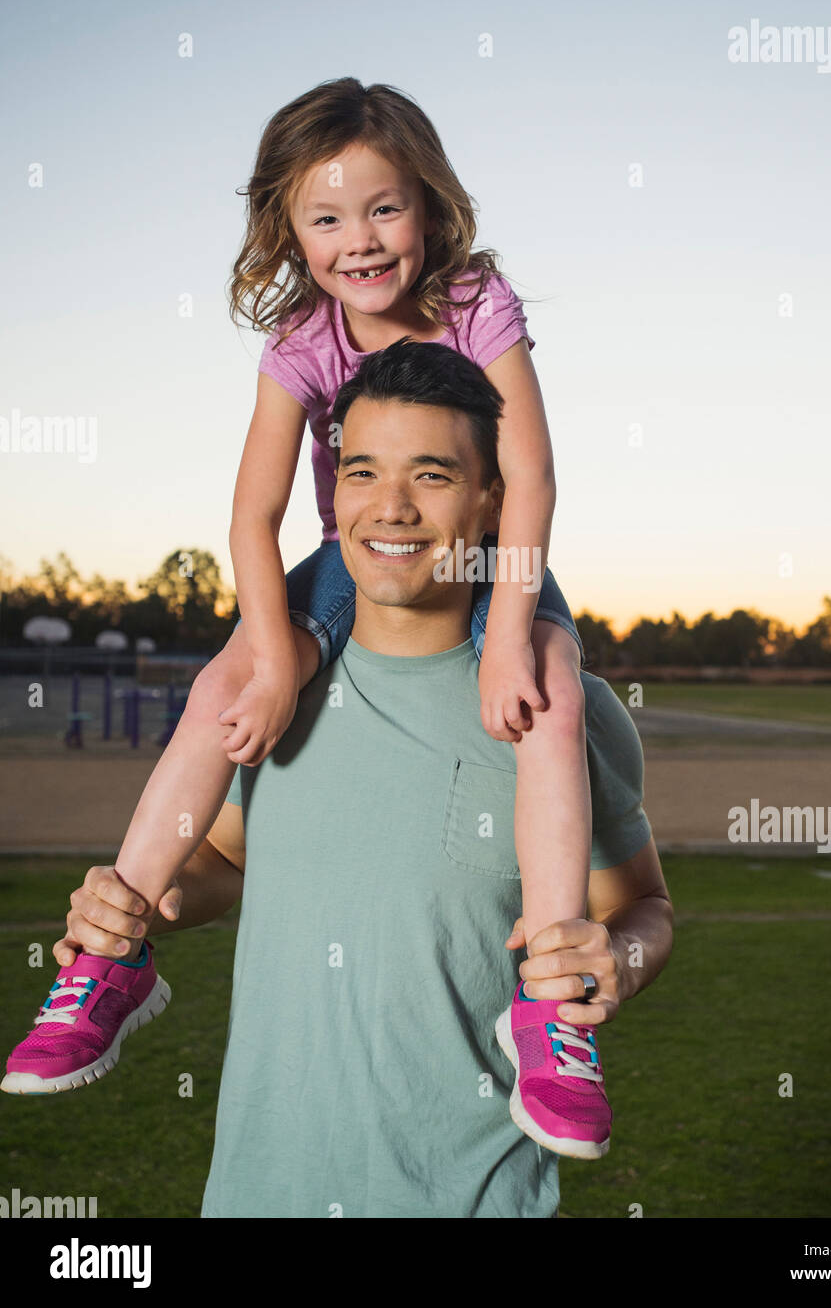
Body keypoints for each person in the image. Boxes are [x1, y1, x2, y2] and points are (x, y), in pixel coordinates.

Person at [3, 78, 610, 1152]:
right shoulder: (303, 338)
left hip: (484, 544)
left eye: (383, 208)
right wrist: (275, 658)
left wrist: (512, 626)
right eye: (325, 217)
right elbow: (253, 513)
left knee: (552, 692)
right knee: (221, 686)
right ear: (289, 229)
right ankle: (113, 954)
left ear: (426, 204)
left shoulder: (476, 302)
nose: (360, 240)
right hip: (349, 555)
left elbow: (532, 473)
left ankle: (551, 1005)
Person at [46, 349, 675, 1217]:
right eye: (362, 471)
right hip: (257, 1191)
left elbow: (645, 910)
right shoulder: (271, 693)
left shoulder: (560, 715)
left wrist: (620, 960)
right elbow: (221, 862)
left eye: (433, 473)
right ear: (331, 491)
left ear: (495, 499)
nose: (392, 507)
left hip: (474, 1195)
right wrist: (142, 905)